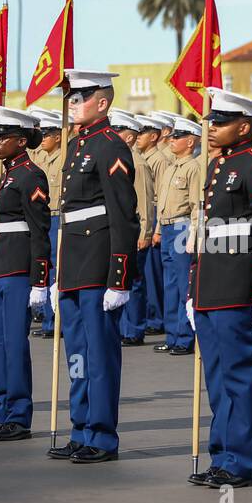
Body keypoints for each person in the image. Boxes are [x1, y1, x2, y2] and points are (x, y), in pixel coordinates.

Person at [186, 88, 252, 488]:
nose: (212, 128)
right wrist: (194, 291)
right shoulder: (217, 167)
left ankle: (240, 462)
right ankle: (221, 455)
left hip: (237, 286)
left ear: (244, 126)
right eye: (211, 121)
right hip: (211, 287)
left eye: (221, 122)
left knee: (238, 377)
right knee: (217, 378)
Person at [45, 69, 139, 464]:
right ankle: (81, 428)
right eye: (70, 97)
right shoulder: (78, 146)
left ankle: (101, 436)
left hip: (98, 264)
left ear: (102, 103)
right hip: (74, 267)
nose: (72, 103)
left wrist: (119, 277)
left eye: (80, 97)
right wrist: (57, 276)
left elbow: (123, 216)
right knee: (78, 355)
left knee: (99, 355)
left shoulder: (110, 147)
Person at [0, 106, 51, 442]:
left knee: (15, 343)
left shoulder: (30, 175)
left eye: (2, 136)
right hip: (0, 263)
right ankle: (3, 409)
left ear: (21, 140)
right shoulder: (7, 173)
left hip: (19, 266)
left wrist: (40, 278)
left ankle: (18, 415)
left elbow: (40, 229)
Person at [152, 117, 200, 356]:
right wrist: (159, 229)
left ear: (190, 142)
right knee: (169, 286)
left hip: (183, 228)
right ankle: (172, 335)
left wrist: (194, 234)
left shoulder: (193, 168)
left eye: (178, 137)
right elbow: (162, 203)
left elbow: (196, 205)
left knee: (183, 286)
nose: (172, 140)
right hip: (168, 228)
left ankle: (184, 337)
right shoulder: (171, 167)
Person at [109, 110, 155, 347]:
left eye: (118, 131)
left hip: (135, 230)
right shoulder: (118, 158)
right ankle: (123, 327)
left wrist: (145, 233)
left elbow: (145, 201)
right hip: (119, 229)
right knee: (119, 279)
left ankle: (134, 329)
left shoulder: (136, 162)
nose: (113, 134)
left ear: (129, 137)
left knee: (134, 281)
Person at [27, 108, 63, 339]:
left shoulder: (64, 158)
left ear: (58, 136)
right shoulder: (40, 158)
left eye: (47, 135)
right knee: (42, 267)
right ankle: (46, 316)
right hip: (42, 217)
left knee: (57, 270)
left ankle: (55, 320)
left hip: (59, 217)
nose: (42, 140)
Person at [135, 115, 168, 338]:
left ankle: (156, 318)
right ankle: (150, 314)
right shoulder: (143, 157)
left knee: (154, 275)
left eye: (142, 133)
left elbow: (159, 197)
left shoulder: (158, 160)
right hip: (147, 216)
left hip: (154, 215)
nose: (138, 138)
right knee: (145, 275)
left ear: (154, 136)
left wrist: (155, 228)